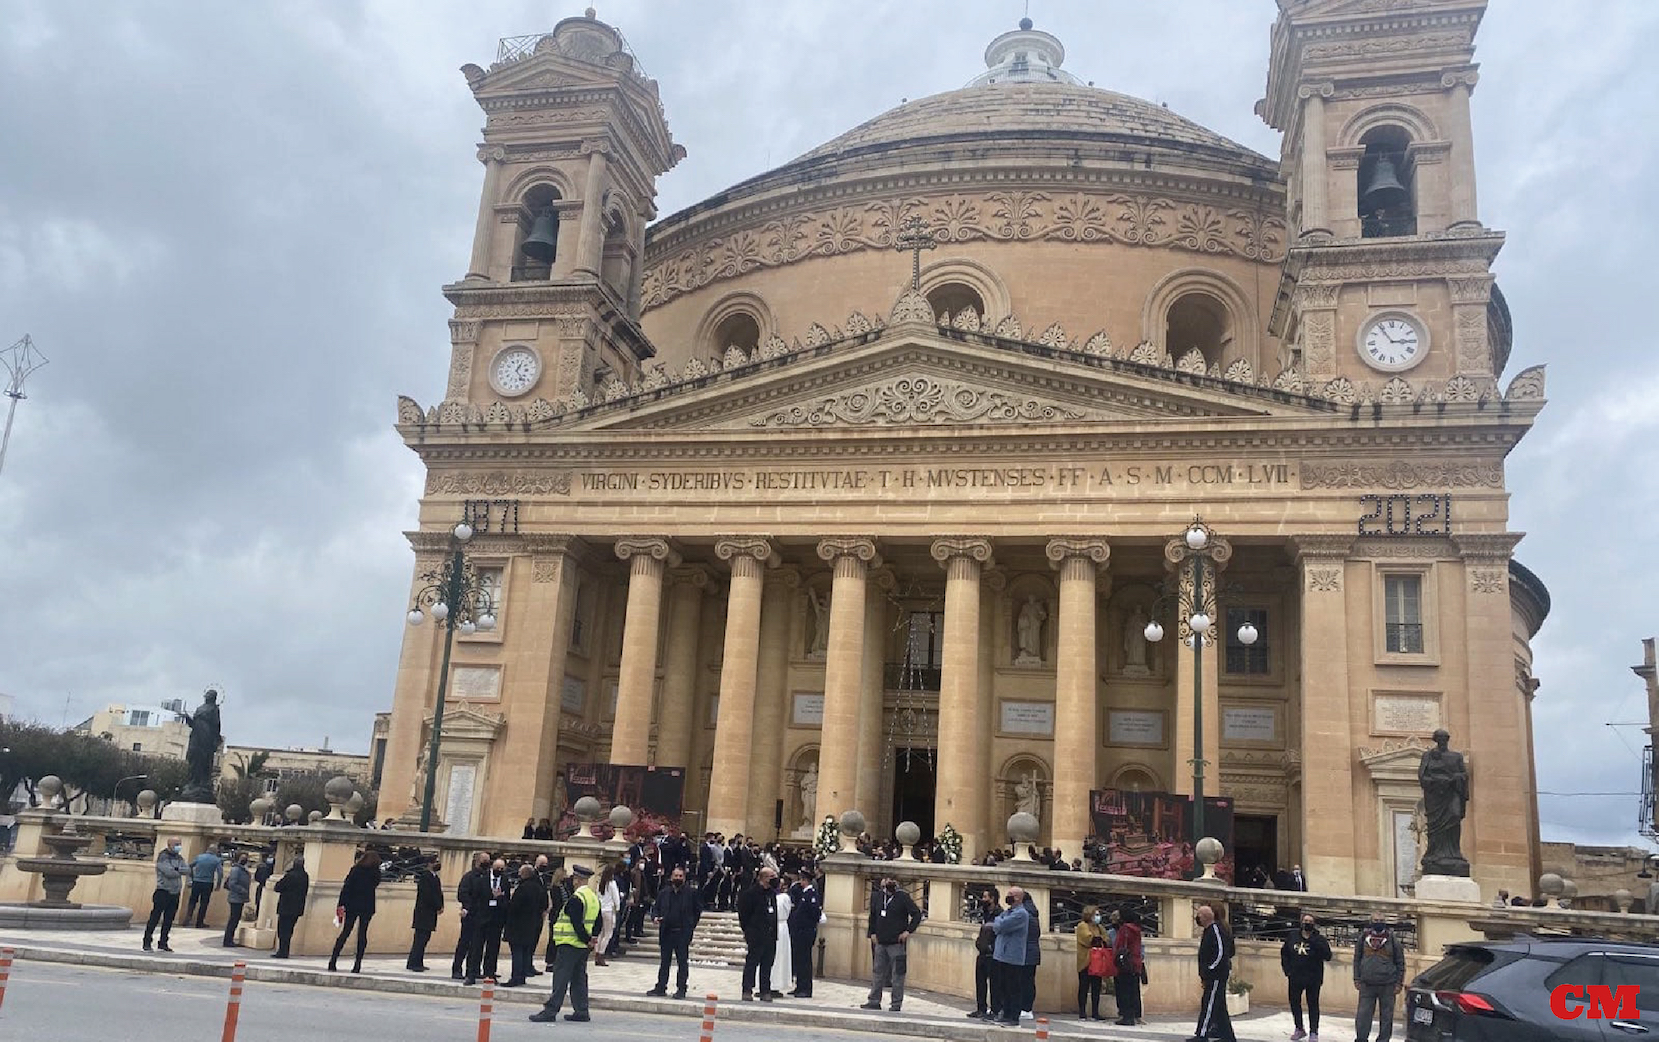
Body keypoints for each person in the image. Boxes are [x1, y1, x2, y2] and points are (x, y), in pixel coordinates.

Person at [529, 863, 599, 1024]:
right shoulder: (592, 896)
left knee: (560, 979)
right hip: (582, 947)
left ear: (577, 880)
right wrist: (592, 939)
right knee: (579, 979)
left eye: (575, 878)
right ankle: (582, 1010)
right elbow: (598, 921)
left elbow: (576, 923)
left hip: (570, 944)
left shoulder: (576, 899)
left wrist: (586, 939)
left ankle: (550, 1010)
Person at [861, 874, 923, 1013]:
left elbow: (916, 914)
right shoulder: (877, 897)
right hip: (881, 941)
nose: (887, 883)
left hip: (896, 942)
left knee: (897, 974)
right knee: (878, 972)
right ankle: (874, 1000)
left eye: (891, 880)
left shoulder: (903, 897)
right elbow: (873, 916)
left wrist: (908, 931)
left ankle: (896, 1003)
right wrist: (872, 933)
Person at [647, 864, 700, 998]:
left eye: (680, 876)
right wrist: (655, 918)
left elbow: (697, 911)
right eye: (676, 876)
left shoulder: (691, 893)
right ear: (671, 877)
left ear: (684, 877)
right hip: (666, 931)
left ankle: (681, 988)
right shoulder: (664, 893)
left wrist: (690, 926)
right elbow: (656, 908)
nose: (678, 878)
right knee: (665, 962)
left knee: (682, 962)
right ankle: (660, 987)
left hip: (682, 932)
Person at [1186, 901, 1236, 1042]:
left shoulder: (1216, 930)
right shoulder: (1212, 930)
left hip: (1216, 975)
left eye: (1199, 915)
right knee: (1218, 1005)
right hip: (1213, 974)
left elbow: (1221, 952)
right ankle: (1227, 1036)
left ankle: (1202, 1034)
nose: (1197, 918)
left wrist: (1209, 970)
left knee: (1209, 1003)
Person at [1354, 910, 1405, 1042]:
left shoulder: (1392, 939)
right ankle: (1361, 1039)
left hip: (1388, 985)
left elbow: (1400, 962)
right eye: (1376, 921)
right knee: (1363, 1015)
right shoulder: (1363, 938)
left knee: (1387, 1017)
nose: (1379, 924)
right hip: (1367, 984)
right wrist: (1356, 978)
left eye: (1381, 921)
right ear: (1371, 922)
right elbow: (1357, 959)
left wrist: (1399, 983)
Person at [1282, 910, 1333, 1042]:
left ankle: (1314, 1032)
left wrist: (1315, 943)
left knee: (1313, 1005)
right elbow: (1284, 953)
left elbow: (1328, 956)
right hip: (1295, 977)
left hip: (1313, 978)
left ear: (1314, 924)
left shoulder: (1320, 939)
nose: (1308, 924)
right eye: (1305, 922)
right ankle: (1299, 1028)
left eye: (1310, 922)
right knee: (1294, 1003)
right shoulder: (1293, 936)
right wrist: (1287, 970)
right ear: (1301, 923)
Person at [329, 849, 382, 973]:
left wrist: (341, 904)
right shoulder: (375, 873)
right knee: (362, 935)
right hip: (367, 906)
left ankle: (333, 960)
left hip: (352, 905)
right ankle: (357, 964)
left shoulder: (356, 870)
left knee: (345, 932)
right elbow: (375, 884)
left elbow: (347, 886)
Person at [736, 865, 779, 1002]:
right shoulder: (750, 894)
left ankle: (765, 990)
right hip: (756, 934)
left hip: (770, 935)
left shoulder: (772, 893)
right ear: (764, 878)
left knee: (767, 964)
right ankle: (747, 989)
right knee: (752, 963)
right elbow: (744, 914)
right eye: (772, 877)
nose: (774, 879)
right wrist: (748, 931)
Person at [503, 863, 549, 987]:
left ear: (524, 874)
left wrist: (503, 900)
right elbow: (543, 905)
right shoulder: (538, 888)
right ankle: (522, 976)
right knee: (525, 952)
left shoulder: (523, 889)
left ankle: (516, 977)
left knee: (517, 952)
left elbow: (514, 907)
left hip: (518, 926)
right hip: (532, 925)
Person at [990, 888, 1030, 1027]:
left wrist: (999, 921)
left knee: (1013, 988)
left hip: (1013, 957)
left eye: (1011, 895)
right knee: (1003, 987)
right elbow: (997, 924)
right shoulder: (1007, 912)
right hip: (1001, 955)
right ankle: (1005, 1014)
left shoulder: (1021, 914)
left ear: (1018, 898)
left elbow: (1001, 925)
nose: (1008, 897)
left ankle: (1013, 1017)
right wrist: (999, 921)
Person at [142, 836, 188, 952]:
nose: (179, 846)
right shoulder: (163, 857)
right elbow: (169, 872)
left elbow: (187, 870)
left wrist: (177, 869)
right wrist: (178, 870)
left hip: (175, 892)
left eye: (179, 844)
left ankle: (163, 942)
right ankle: (147, 941)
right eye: (176, 844)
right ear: (169, 845)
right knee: (155, 918)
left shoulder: (179, 857)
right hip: (163, 891)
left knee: (169, 919)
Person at [453, 851, 491, 980]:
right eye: (484, 861)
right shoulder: (469, 877)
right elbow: (462, 894)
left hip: (483, 916)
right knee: (464, 943)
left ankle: (473, 969)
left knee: (478, 945)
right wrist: (468, 907)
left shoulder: (488, 877)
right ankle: (457, 969)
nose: (486, 863)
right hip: (470, 915)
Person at [786, 873, 822, 998]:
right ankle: (799, 985)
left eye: (801, 880)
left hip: (805, 932)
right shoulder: (804, 894)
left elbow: (814, 913)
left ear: (805, 880)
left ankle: (805, 988)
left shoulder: (811, 894)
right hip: (799, 932)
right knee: (799, 961)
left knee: (805, 961)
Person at [408, 857, 444, 971]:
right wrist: (437, 905)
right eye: (435, 862)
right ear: (429, 864)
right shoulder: (425, 877)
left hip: (430, 913)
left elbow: (439, 893)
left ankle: (418, 961)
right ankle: (414, 963)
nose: (438, 864)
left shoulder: (435, 877)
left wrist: (441, 906)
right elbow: (428, 895)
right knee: (420, 939)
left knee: (425, 938)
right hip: (424, 912)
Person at [966, 890, 998, 1019]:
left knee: (995, 985)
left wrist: (992, 947)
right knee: (980, 982)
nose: (983, 899)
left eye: (986, 897)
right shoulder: (985, 913)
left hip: (992, 954)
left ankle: (995, 1009)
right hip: (982, 953)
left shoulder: (999, 914)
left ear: (993, 898)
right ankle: (981, 1008)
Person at [1074, 904, 1109, 1021]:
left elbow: (1106, 939)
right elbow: (1089, 939)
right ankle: (1082, 1012)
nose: (1098, 917)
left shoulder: (1100, 927)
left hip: (1098, 962)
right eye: (1096, 914)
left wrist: (1101, 939)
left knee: (1096, 988)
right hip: (1086, 961)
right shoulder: (1082, 926)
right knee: (1084, 987)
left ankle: (1095, 1012)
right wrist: (1098, 939)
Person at [1112, 908, 1146, 1026]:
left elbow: (1119, 944)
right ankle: (1135, 1014)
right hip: (1135, 963)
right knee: (1133, 990)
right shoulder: (1137, 929)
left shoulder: (1125, 929)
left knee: (1124, 990)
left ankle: (1127, 1016)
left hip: (1126, 963)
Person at [270, 855, 308, 959]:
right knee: (289, 930)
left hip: (286, 906)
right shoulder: (305, 876)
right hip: (297, 908)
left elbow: (278, 887)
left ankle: (282, 951)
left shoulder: (290, 875)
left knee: (282, 930)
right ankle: (284, 950)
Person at [187, 845, 223, 928]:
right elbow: (220, 873)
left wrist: (191, 878)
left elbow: (190, 866)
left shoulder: (199, 857)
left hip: (196, 881)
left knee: (192, 901)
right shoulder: (216, 860)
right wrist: (218, 884)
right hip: (208, 883)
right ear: (215, 851)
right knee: (204, 903)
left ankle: (187, 919)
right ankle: (199, 922)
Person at [771, 872, 794, 997]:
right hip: (774, 926)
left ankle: (777, 984)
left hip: (781, 927)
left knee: (780, 956)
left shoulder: (784, 898)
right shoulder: (769, 896)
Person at [222, 853, 252, 947]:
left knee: (235, 919)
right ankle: (228, 940)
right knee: (233, 919)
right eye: (243, 858)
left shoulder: (242, 869)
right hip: (235, 898)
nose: (245, 859)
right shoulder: (236, 870)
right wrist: (242, 890)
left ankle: (230, 939)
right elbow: (232, 884)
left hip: (240, 898)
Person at [594, 863, 620, 967]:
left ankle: (597, 953)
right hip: (609, 910)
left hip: (601, 909)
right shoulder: (612, 884)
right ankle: (601, 954)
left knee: (601, 933)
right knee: (608, 934)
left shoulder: (600, 883)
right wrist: (617, 908)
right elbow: (616, 897)